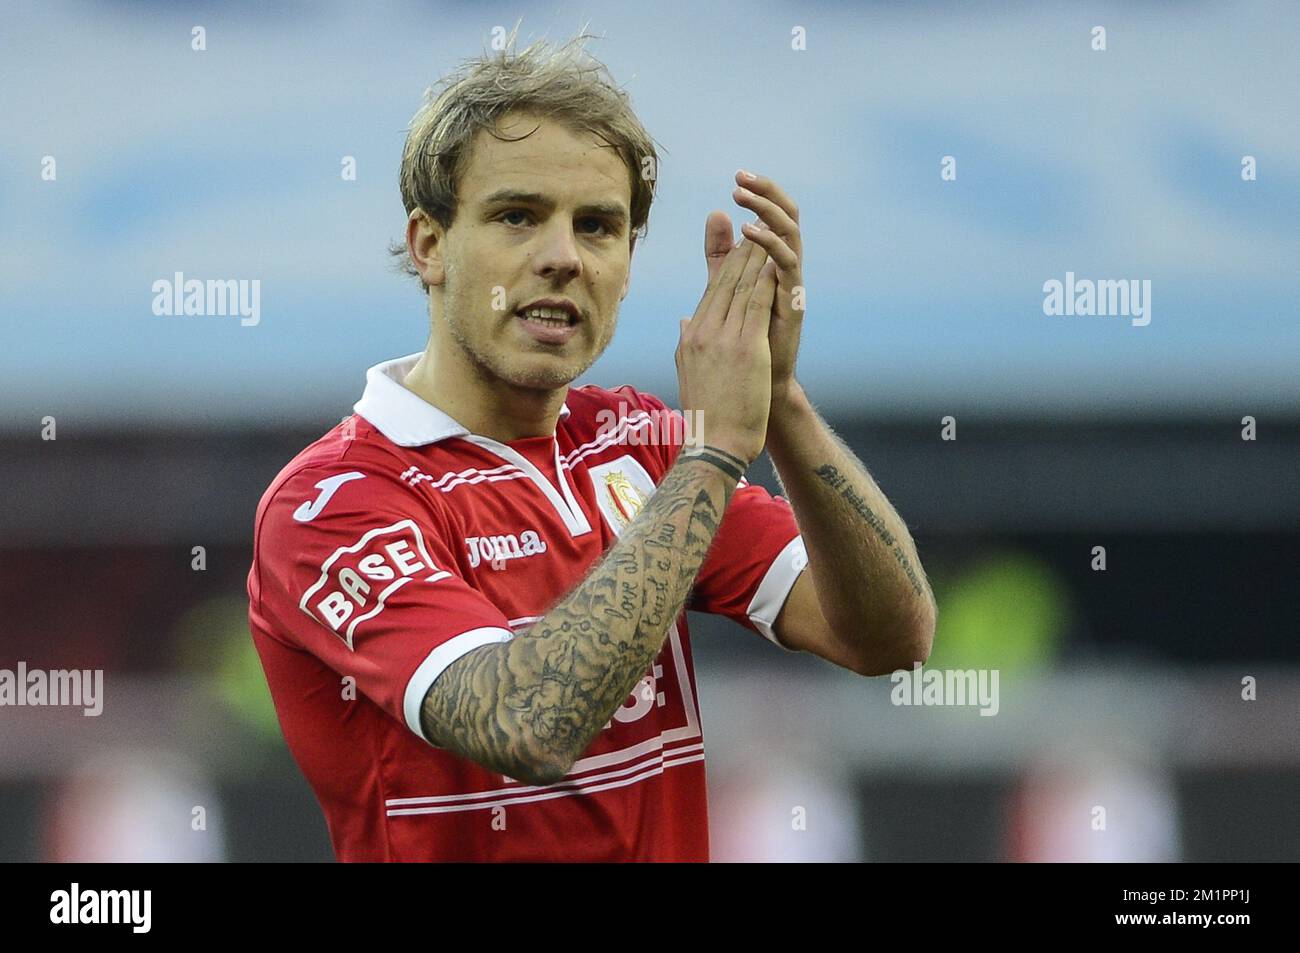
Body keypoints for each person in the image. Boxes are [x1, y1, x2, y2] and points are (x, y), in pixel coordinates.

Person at [245, 32, 936, 862]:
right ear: (429, 245)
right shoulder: (334, 501)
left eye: (599, 226)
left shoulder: (637, 442)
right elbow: (527, 724)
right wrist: (714, 454)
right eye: (517, 215)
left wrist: (778, 398)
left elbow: (889, 636)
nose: (563, 257)